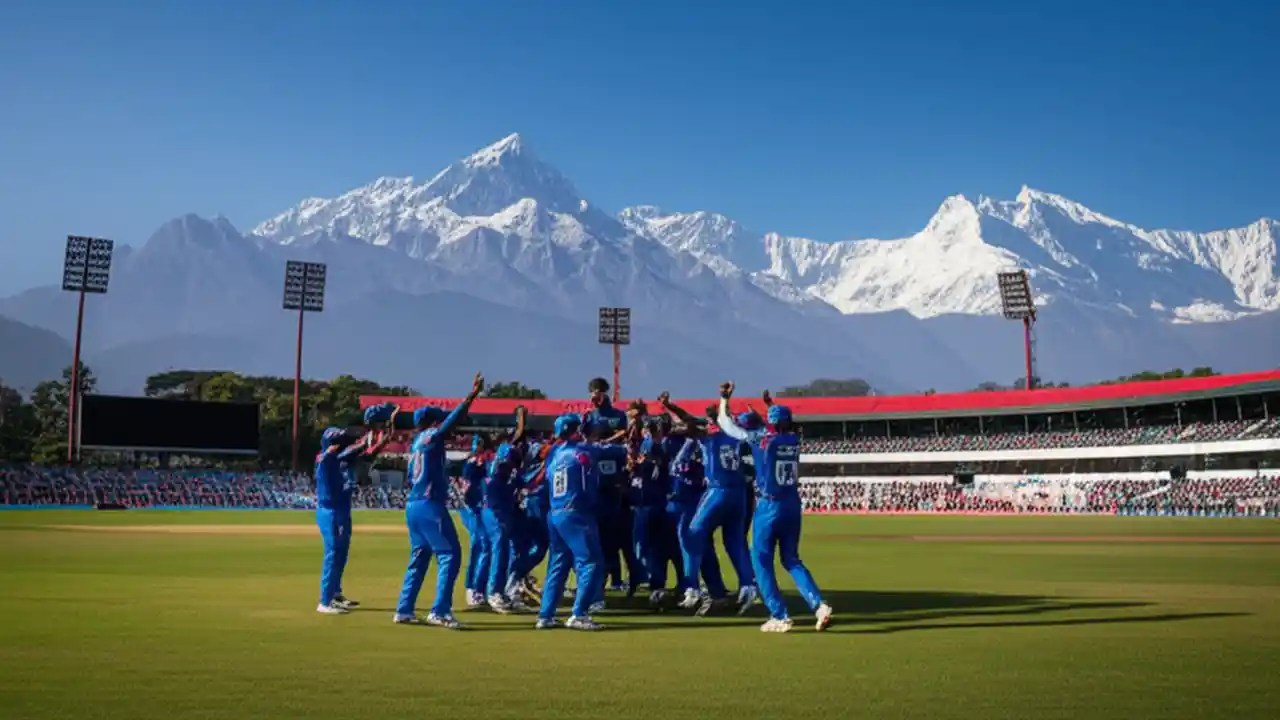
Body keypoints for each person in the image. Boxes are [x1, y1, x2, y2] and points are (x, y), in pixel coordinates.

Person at [717, 383, 833, 633]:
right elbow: (780, 423)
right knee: (792, 559)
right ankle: (819, 605)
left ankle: (779, 615)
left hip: (769, 506)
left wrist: (724, 400)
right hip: (793, 503)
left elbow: (726, 424)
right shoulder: (792, 439)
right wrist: (771, 407)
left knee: (760, 560)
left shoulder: (760, 439)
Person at [394, 372, 484, 629]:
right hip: (429, 504)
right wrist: (471, 396)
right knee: (450, 554)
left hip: (414, 504)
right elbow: (450, 424)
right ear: (432, 423)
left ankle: (404, 608)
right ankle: (440, 610)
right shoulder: (430, 438)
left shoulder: (416, 444)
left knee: (420, 557)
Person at [659, 393, 758, 615]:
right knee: (734, 541)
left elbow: (690, 424)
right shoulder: (736, 437)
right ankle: (748, 585)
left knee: (692, 534)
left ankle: (692, 588)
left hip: (718, 490)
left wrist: (671, 406)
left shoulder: (709, 437)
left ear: (712, 421)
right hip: (740, 494)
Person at [536, 413, 628, 631]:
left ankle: (545, 615)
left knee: (558, 565)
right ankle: (579, 613)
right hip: (576, 512)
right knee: (591, 562)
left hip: (555, 512)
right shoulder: (582, 451)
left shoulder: (554, 453)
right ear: (576, 431)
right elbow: (617, 451)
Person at [582, 377, 641, 599]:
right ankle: (604, 578)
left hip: (618, 483)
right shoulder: (589, 416)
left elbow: (627, 437)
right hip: (596, 484)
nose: (593, 396)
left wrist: (609, 443)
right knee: (598, 533)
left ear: (604, 393)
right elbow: (584, 441)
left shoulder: (617, 416)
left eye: (597, 392)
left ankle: (625, 578)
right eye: (591, 393)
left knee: (620, 534)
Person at [314, 427, 374, 614]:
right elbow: (348, 451)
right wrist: (359, 443)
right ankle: (324, 602)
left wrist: (369, 442)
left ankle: (335, 594)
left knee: (341, 554)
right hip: (331, 511)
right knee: (333, 554)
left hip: (340, 510)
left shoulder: (336, 458)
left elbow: (357, 454)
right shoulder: (327, 458)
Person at [483, 407, 532, 613]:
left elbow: (525, 480)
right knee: (500, 550)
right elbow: (516, 440)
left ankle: (506, 590)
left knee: (511, 550)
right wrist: (521, 419)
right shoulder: (501, 464)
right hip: (495, 512)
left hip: (504, 511)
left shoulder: (509, 469)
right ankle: (494, 592)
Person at [457, 434, 492, 610]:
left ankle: (480, 589)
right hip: (473, 509)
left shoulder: (480, 464)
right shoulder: (472, 464)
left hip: (479, 508)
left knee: (485, 546)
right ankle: (473, 589)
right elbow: (466, 491)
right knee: (481, 545)